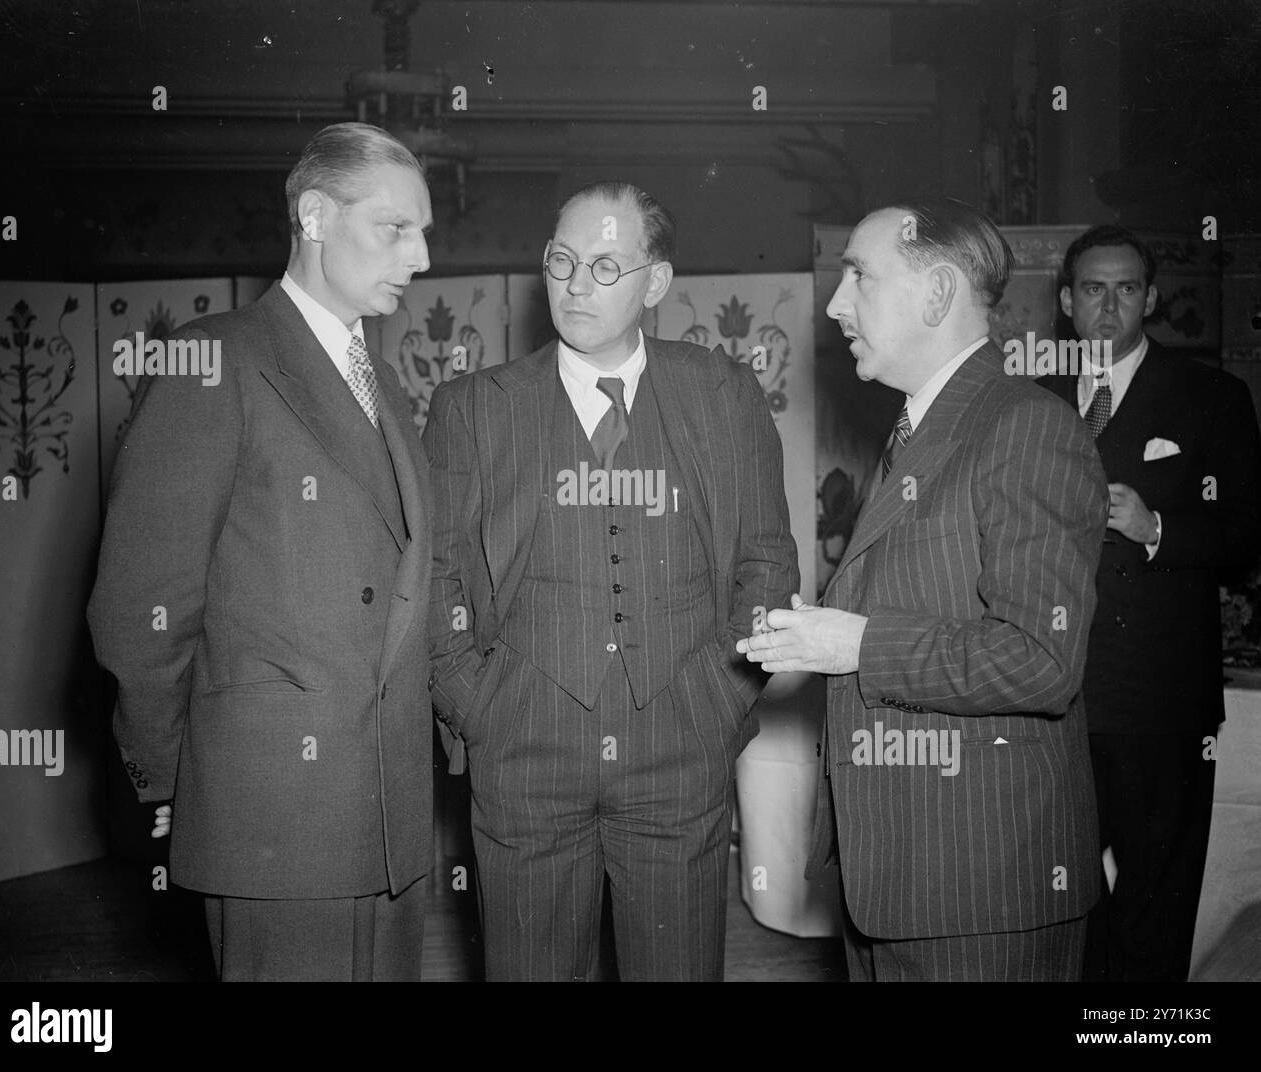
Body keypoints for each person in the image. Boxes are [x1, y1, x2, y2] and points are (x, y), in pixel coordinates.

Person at [424, 181, 798, 981]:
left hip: (680, 740)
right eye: (561, 261)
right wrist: (478, 704)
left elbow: (766, 559)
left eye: (604, 266)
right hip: (522, 745)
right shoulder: (473, 410)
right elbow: (435, 577)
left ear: (655, 284)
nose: (574, 285)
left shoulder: (722, 395)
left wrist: (720, 695)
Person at [87, 122, 434, 981]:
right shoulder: (216, 360)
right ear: (315, 215)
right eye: (397, 228)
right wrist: (176, 783)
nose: (421, 257)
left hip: (389, 816)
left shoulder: (380, 377)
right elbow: (142, 606)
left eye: (424, 231)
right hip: (273, 814)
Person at [738, 199, 1107, 981]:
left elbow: (1042, 657)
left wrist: (857, 643)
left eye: (859, 277)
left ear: (938, 295)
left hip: (980, 890)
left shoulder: (1024, 429)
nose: (836, 305)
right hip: (898, 877)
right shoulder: (919, 432)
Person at [1038, 225, 1261, 981]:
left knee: (1157, 898)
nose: (1110, 306)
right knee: (1054, 890)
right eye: (1093, 289)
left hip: (1164, 699)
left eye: (1127, 288)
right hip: (1051, 691)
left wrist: (1156, 526)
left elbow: (1246, 541)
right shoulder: (1025, 401)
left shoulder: (1213, 398)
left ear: (1153, 298)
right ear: (1067, 302)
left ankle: (1142, 1034)